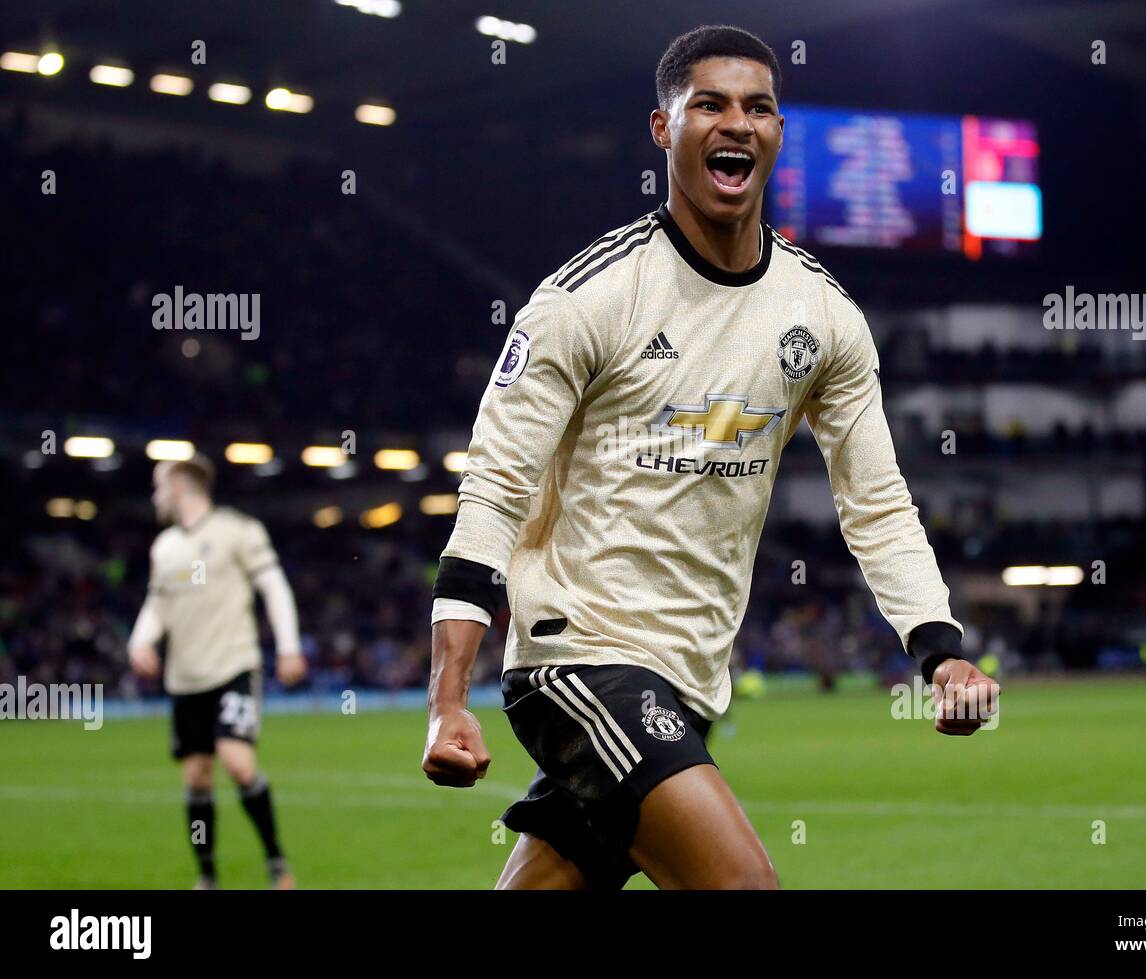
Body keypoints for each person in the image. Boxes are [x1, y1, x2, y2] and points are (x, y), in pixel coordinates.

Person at [422, 24, 999, 890]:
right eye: (710, 105)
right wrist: (447, 697)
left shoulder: (823, 318)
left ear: (777, 133)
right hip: (578, 658)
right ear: (665, 130)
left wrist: (938, 646)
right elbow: (494, 492)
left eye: (759, 107)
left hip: (688, 680)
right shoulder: (586, 299)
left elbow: (876, 500)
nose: (738, 124)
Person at [128, 454, 307, 888]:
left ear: (179, 487)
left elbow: (274, 586)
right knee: (197, 777)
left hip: (233, 667)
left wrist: (288, 647)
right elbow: (158, 604)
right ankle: (207, 876)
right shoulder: (164, 547)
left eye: (158, 485)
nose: (155, 495)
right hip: (185, 679)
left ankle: (276, 862)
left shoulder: (237, 531)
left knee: (238, 762)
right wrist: (139, 640)